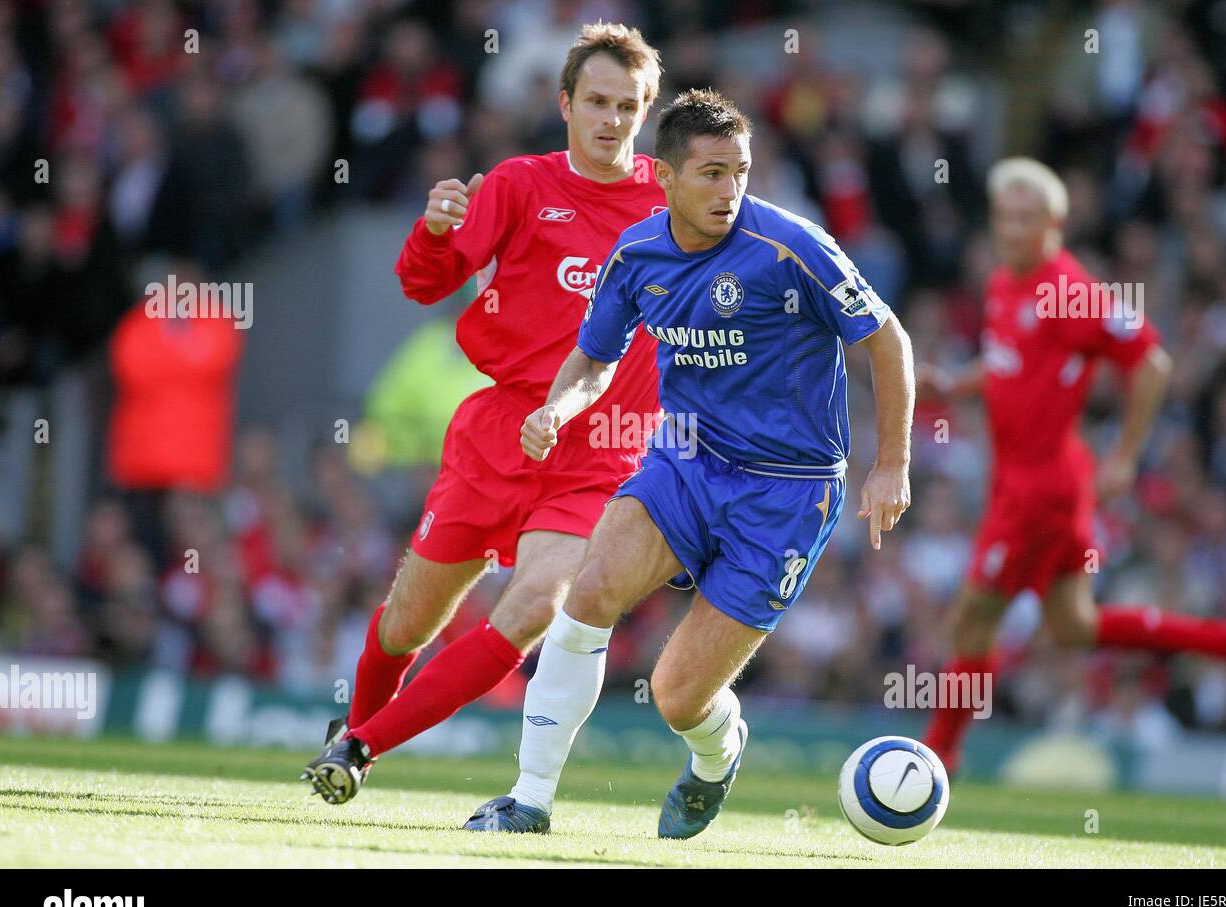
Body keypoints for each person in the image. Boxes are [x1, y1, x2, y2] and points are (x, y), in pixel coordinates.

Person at [468, 88, 914, 838]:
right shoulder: (638, 253)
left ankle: (717, 753)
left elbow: (886, 338)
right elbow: (592, 357)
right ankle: (529, 799)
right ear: (666, 177)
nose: (729, 189)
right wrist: (556, 407)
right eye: (710, 173)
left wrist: (892, 463)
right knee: (591, 589)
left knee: (676, 696)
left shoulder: (790, 246)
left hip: (788, 490)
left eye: (739, 170)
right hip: (685, 461)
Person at [302, 23, 666, 804]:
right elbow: (425, 284)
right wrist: (434, 230)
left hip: (602, 451)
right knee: (406, 623)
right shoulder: (517, 185)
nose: (611, 119)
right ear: (565, 103)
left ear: (646, 112)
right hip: (498, 436)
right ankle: (355, 742)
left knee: (537, 602)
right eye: (596, 101)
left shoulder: (675, 205)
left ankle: (362, 745)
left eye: (628, 107)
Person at [918, 158, 1226, 776]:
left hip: (1042, 491)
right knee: (1073, 627)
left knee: (971, 618)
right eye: (1003, 215)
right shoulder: (1003, 283)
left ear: (1055, 223)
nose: (1010, 228)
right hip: (1020, 484)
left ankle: (935, 761)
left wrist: (1125, 456)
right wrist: (954, 385)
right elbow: (1010, 363)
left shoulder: (1069, 291)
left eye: (1025, 217)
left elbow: (1152, 363)